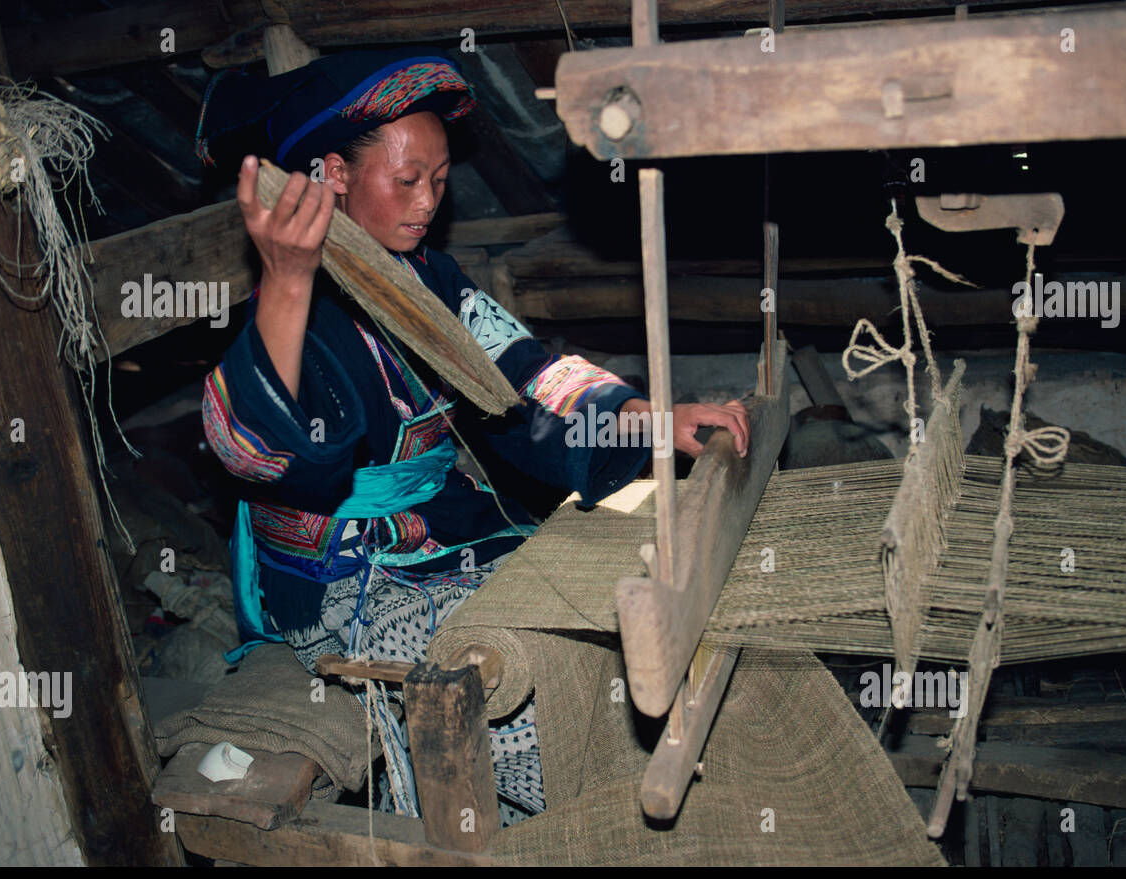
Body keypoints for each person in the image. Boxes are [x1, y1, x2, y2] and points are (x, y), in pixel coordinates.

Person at [196, 48, 750, 821]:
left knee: (590, 646)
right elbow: (253, 450)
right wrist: (287, 280)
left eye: (440, 178)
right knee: (525, 716)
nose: (427, 200)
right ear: (333, 175)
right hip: (344, 578)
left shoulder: (430, 279)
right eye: (406, 179)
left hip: (444, 531)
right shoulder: (298, 304)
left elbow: (526, 371)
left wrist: (651, 419)